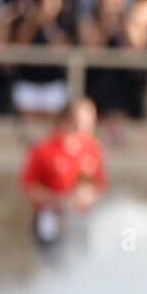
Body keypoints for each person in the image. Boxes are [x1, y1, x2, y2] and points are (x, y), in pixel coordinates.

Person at [19, 99, 107, 250]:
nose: (92, 123)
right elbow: (29, 186)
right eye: (86, 119)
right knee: (51, 245)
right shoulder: (44, 149)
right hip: (52, 215)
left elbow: (99, 185)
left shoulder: (91, 148)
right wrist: (56, 200)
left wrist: (86, 196)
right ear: (68, 121)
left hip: (80, 217)